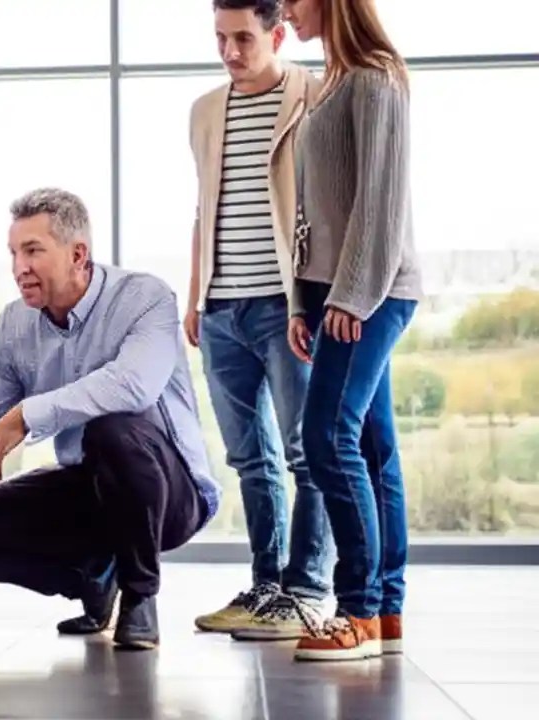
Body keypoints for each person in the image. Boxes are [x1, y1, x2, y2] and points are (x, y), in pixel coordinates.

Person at [0, 188, 222, 650]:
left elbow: (132, 385)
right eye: (14, 253)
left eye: (33, 250)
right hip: (89, 485)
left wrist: (28, 414)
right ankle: (91, 578)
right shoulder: (13, 328)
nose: (19, 267)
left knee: (112, 429)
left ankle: (140, 597)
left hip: (170, 495)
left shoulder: (145, 298)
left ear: (78, 254)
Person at [186, 0, 334, 641]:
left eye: (243, 38)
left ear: (278, 33)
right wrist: (197, 297)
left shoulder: (317, 96)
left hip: (288, 307)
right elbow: (203, 208)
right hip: (222, 310)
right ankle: (267, 586)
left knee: (307, 454)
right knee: (252, 459)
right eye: (220, 38)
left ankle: (308, 590)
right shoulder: (204, 111)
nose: (229, 51)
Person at [282, 0, 422, 662]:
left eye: (292, 0)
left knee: (326, 437)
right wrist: (300, 303)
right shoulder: (333, 80)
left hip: (369, 292)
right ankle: (386, 609)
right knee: (370, 446)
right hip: (332, 293)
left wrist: (356, 296)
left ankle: (359, 612)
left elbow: (381, 199)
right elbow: (315, 210)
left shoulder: (374, 76)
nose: (285, 10)